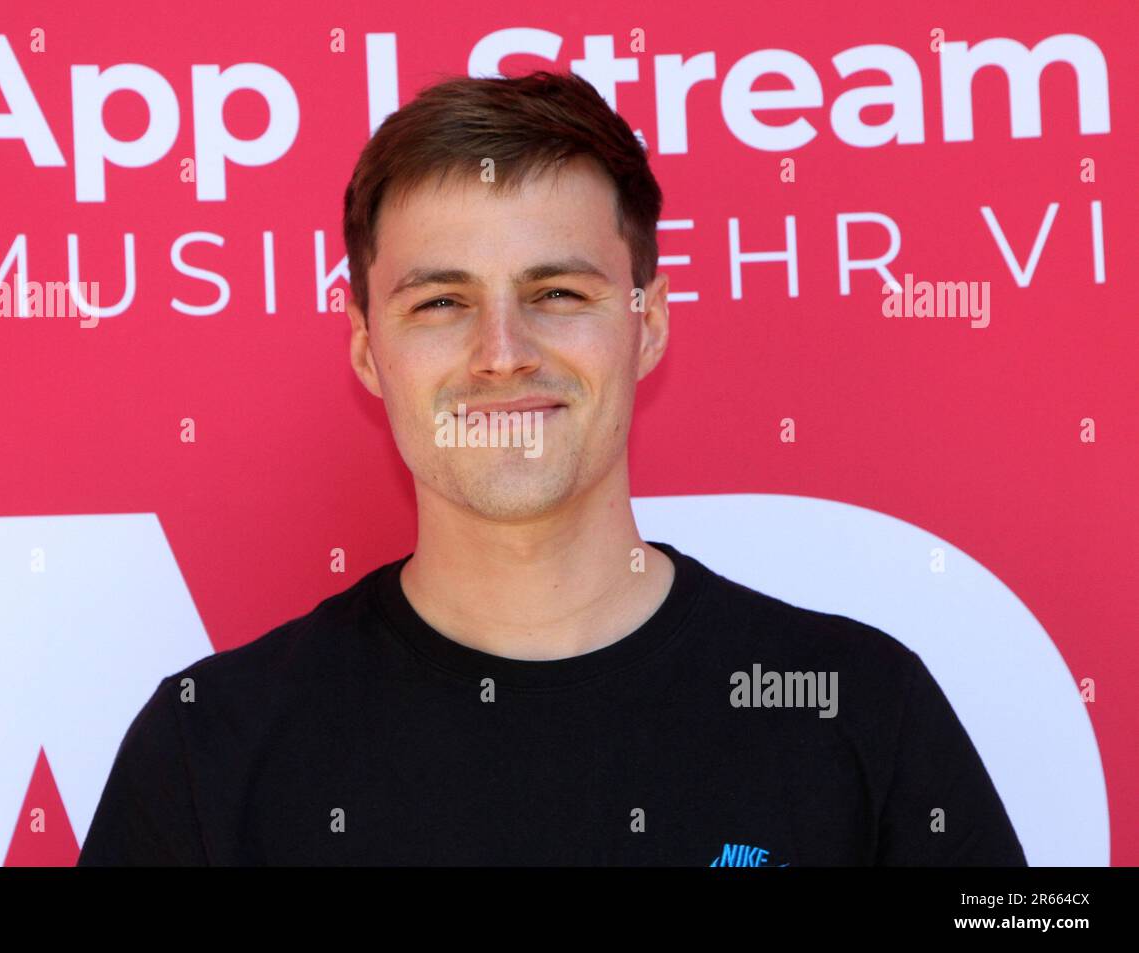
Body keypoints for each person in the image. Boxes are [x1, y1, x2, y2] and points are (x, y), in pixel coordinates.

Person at [78, 70, 1026, 866]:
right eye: (442, 302)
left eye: (558, 292)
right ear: (369, 353)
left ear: (645, 325)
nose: (503, 352)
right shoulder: (207, 750)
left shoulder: (858, 711)